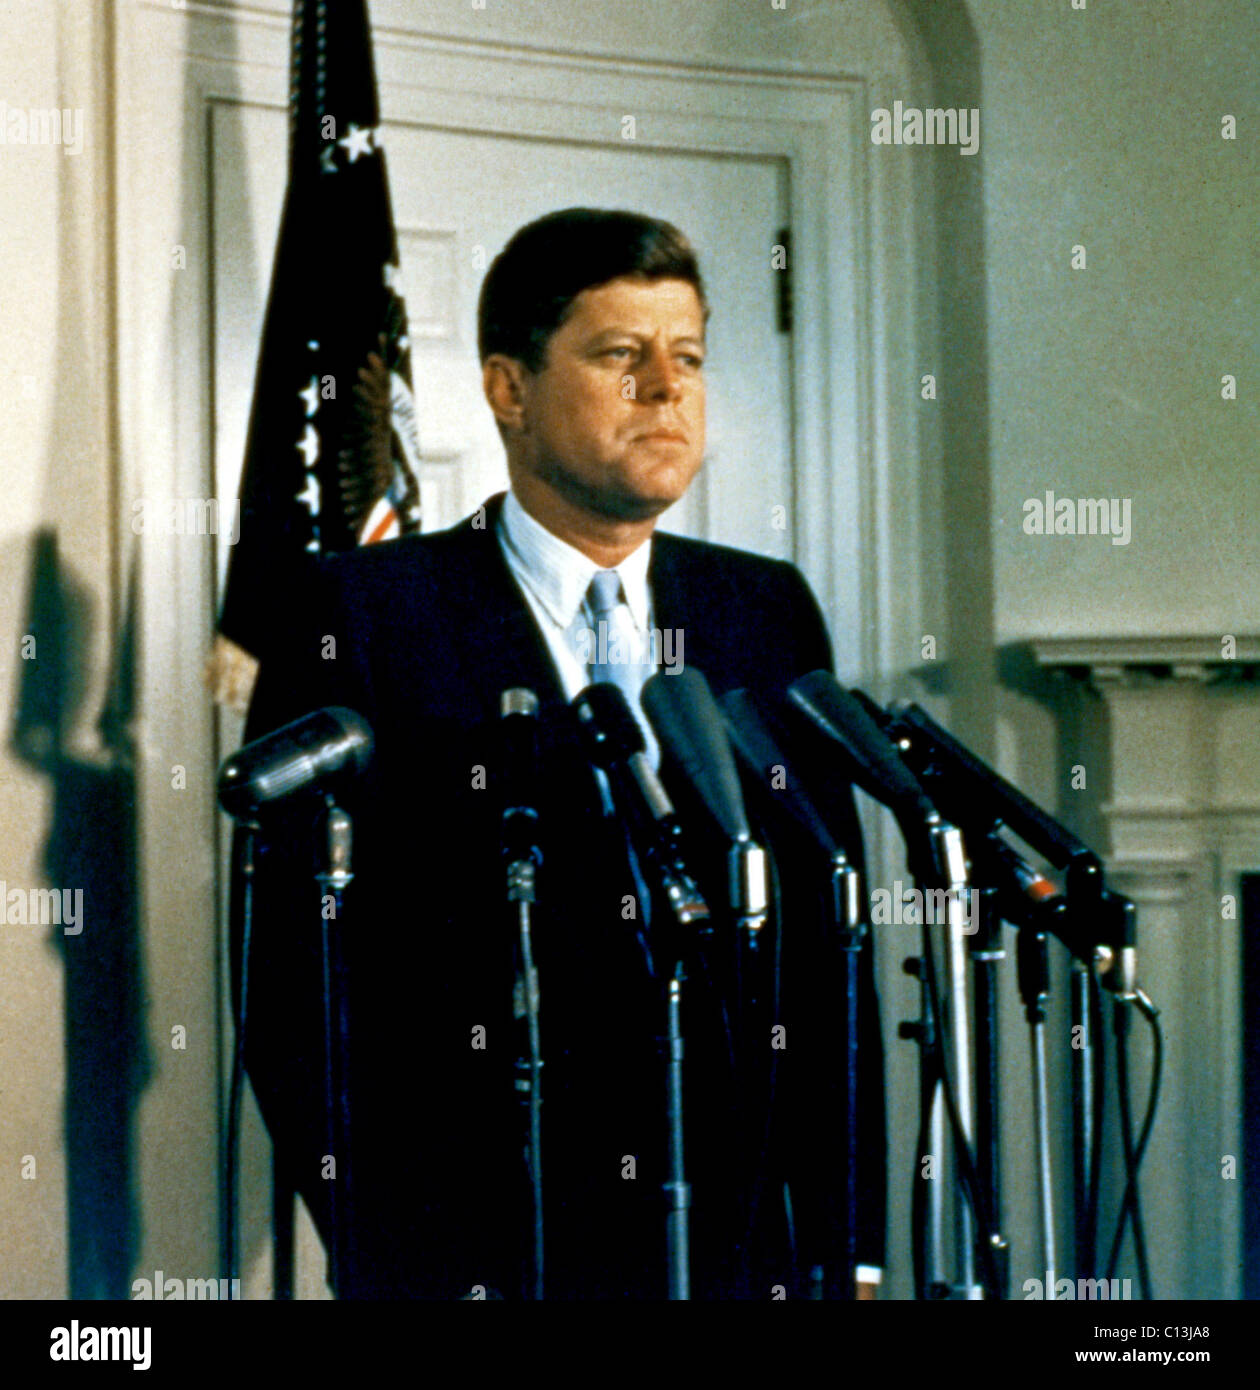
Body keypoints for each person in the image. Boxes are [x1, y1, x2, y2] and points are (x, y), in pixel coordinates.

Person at [238, 207, 885, 1299]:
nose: (666, 389)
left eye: (686, 358)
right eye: (619, 355)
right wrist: (400, 1252)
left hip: (739, 1254)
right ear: (508, 388)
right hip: (483, 1248)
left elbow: (830, 946)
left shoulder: (760, 609)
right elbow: (300, 996)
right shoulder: (364, 612)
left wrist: (847, 1251)